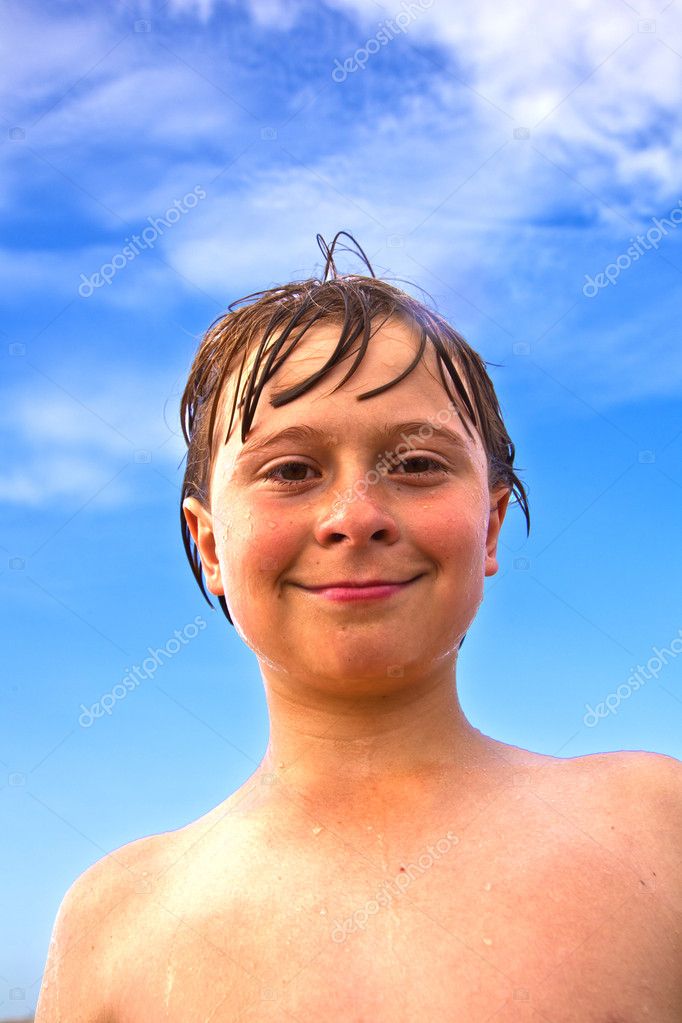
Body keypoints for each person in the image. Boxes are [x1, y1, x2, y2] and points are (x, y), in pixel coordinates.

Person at [36, 232, 681, 1021]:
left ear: (488, 527)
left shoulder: (656, 829)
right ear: (210, 545)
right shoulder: (115, 925)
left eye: (414, 464)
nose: (355, 517)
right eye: (291, 471)